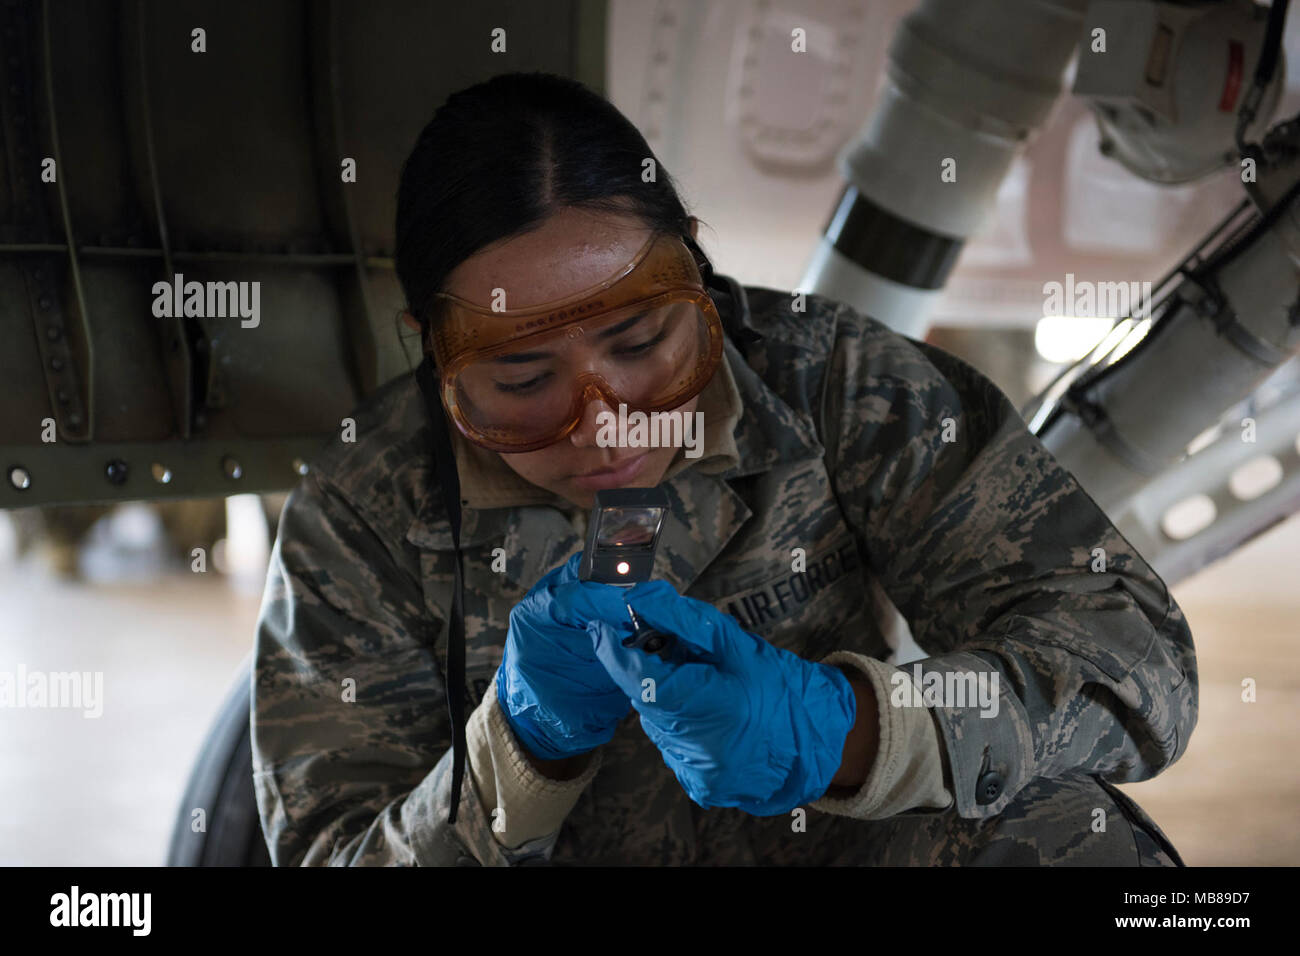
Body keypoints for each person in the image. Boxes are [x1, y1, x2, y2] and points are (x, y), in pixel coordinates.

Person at [250, 71, 1197, 866]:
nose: (605, 422)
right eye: (525, 378)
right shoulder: (362, 511)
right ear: (432, 349)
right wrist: (516, 754)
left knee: (1058, 835)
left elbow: (1133, 656)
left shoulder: (831, 383)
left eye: (641, 339)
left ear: (694, 275)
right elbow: (333, 853)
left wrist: (854, 729)